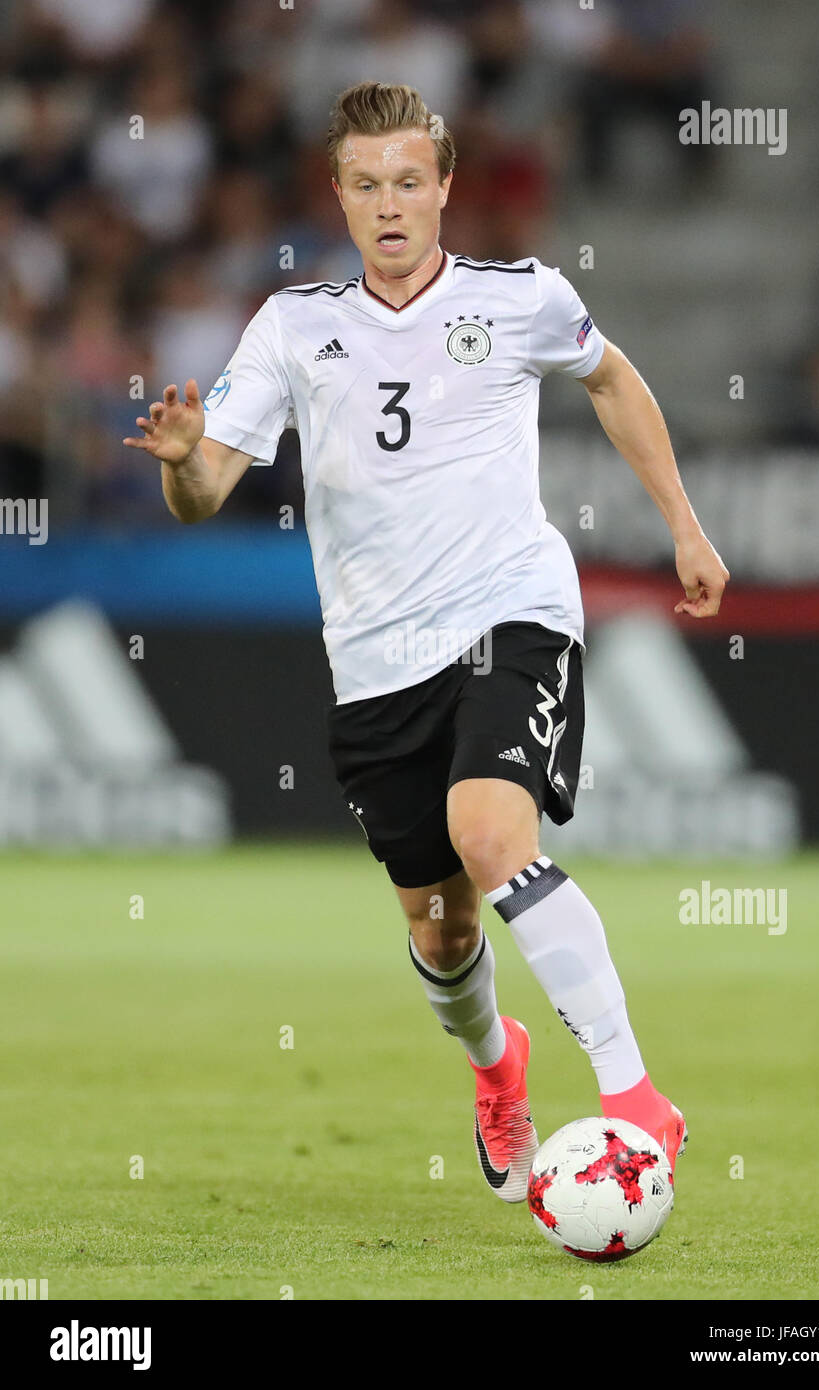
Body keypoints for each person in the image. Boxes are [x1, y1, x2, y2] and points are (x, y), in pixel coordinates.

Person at [124, 81, 729, 1202]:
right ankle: (498, 1065)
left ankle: (634, 1097)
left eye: (409, 182)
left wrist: (683, 526)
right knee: (440, 928)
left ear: (445, 186)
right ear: (340, 196)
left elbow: (612, 380)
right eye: (365, 186)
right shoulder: (294, 328)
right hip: (373, 661)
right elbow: (207, 490)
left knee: (489, 829)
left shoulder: (520, 298)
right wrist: (180, 456)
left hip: (510, 611)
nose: (388, 206)